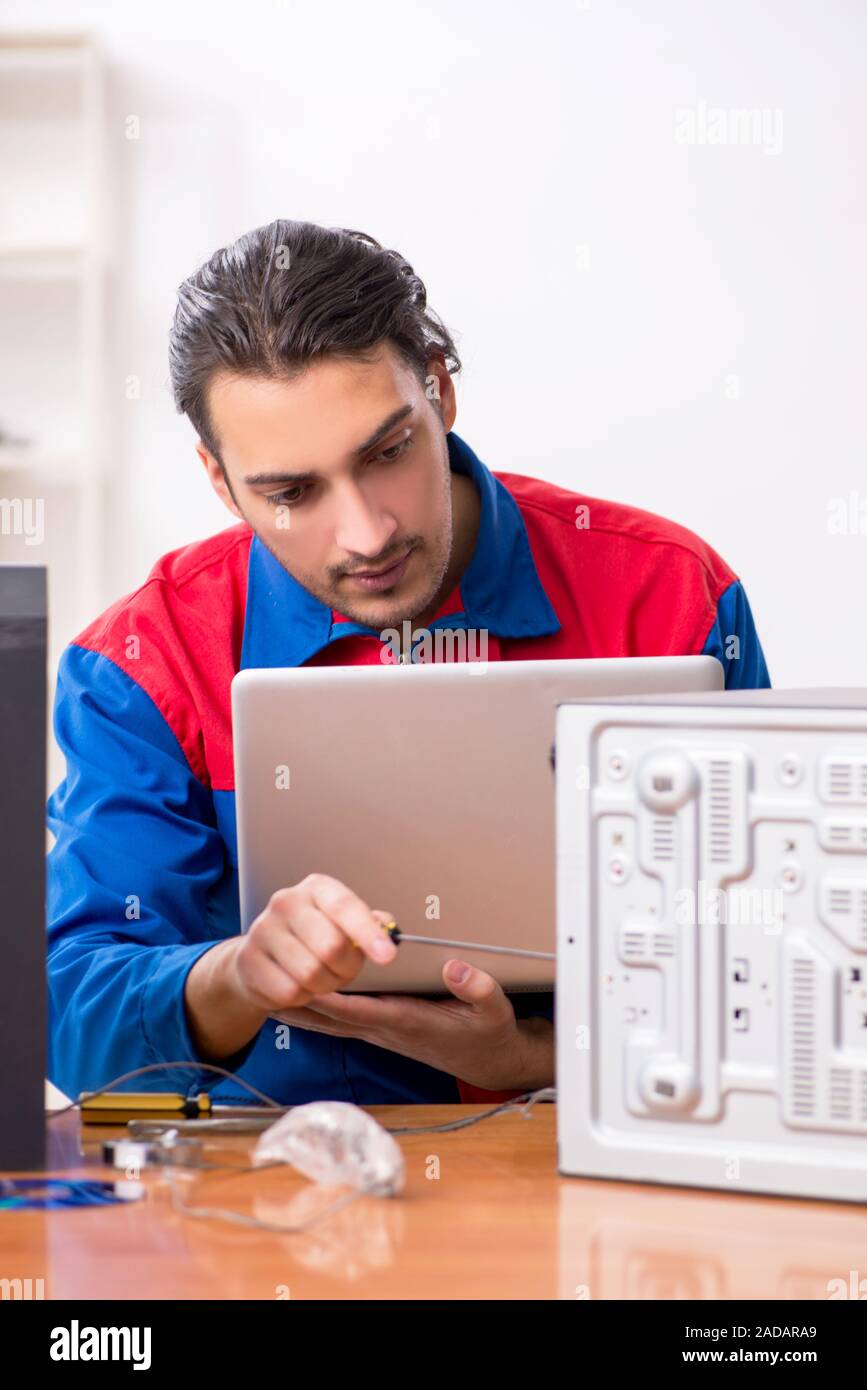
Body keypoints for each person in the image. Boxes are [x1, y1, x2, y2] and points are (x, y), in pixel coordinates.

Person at [46, 218, 771, 1107]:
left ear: (439, 394)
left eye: (386, 453)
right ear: (218, 478)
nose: (367, 533)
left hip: (593, 1163)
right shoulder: (142, 662)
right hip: (272, 1187)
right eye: (291, 493)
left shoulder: (670, 597)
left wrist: (546, 1058)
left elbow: (768, 977)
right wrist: (234, 977)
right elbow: (67, 1025)